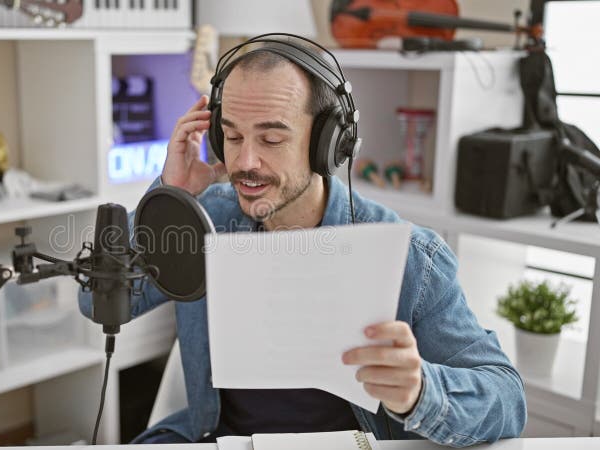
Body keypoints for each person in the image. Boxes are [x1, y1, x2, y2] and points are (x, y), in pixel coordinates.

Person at [79, 37, 526, 447]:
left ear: (328, 144)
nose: (245, 162)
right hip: (217, 436)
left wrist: (420, 391)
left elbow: (507, 399)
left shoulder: (410, 257)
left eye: (271, 138)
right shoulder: (205, 220)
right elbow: (94, 300)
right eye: (231, 136)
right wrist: (170, 198)